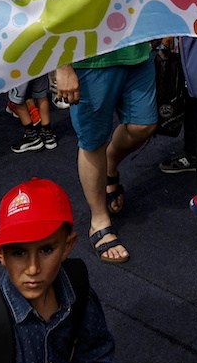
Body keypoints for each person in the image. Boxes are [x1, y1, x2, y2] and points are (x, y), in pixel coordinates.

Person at [0, 178, 117, 363]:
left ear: (67, 246)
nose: (33, 268)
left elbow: (97, 356)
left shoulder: (78, 291)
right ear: (0, 254)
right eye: (19, 252)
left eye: (46, 250)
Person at [55, 41, 158, 265]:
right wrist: (62, 64)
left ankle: (109, 165)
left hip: (136, 50)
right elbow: (50, 8)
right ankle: (99, 221)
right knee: (93, 142)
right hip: (90, 57)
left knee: (144, 125)